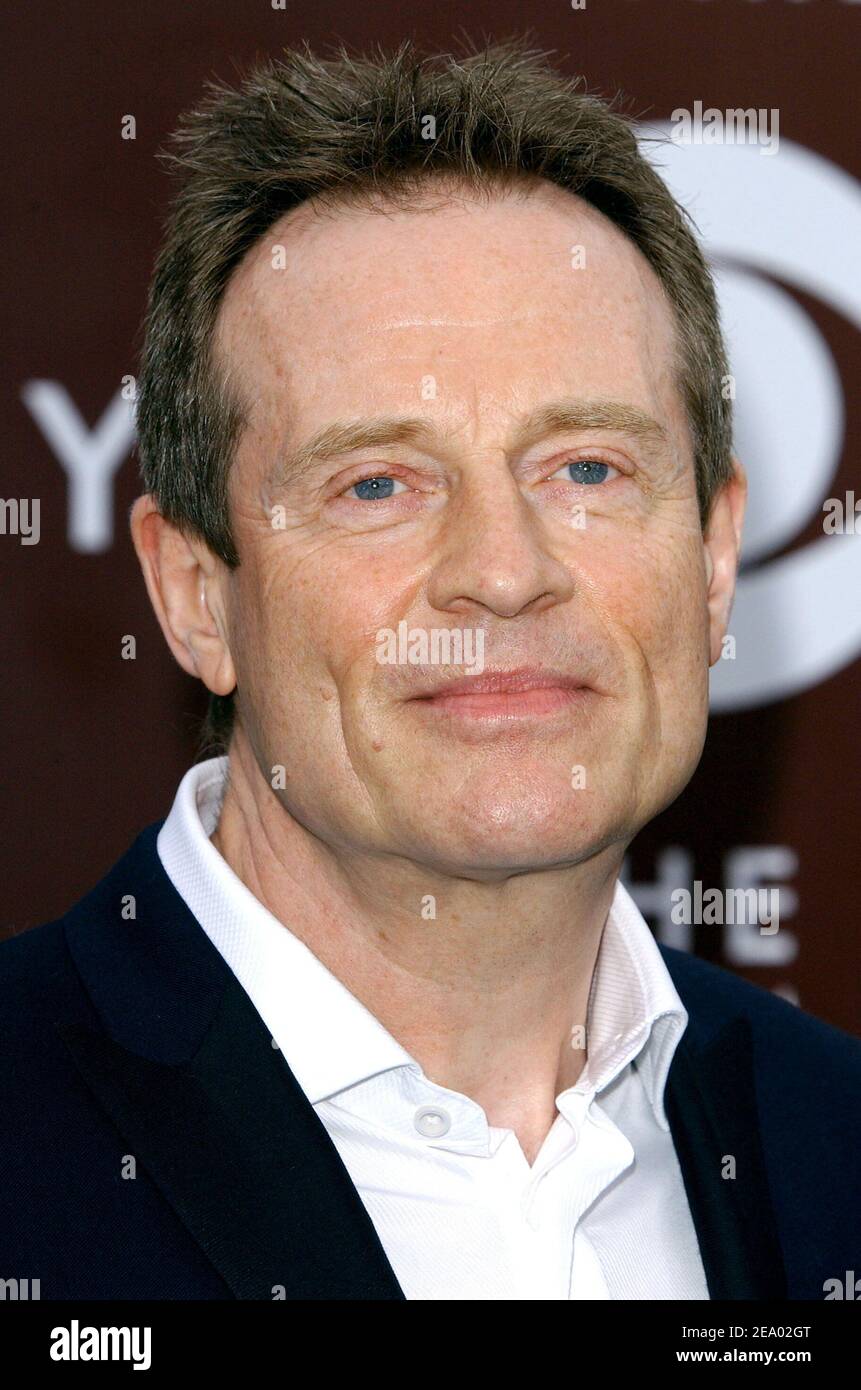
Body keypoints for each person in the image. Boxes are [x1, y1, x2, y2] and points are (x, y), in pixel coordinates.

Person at [2, 40, 858, 1301]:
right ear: (195, 596)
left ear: (716, 560)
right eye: (378, 484)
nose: (505, 572)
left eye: (585, 468)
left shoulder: (831, 1138)